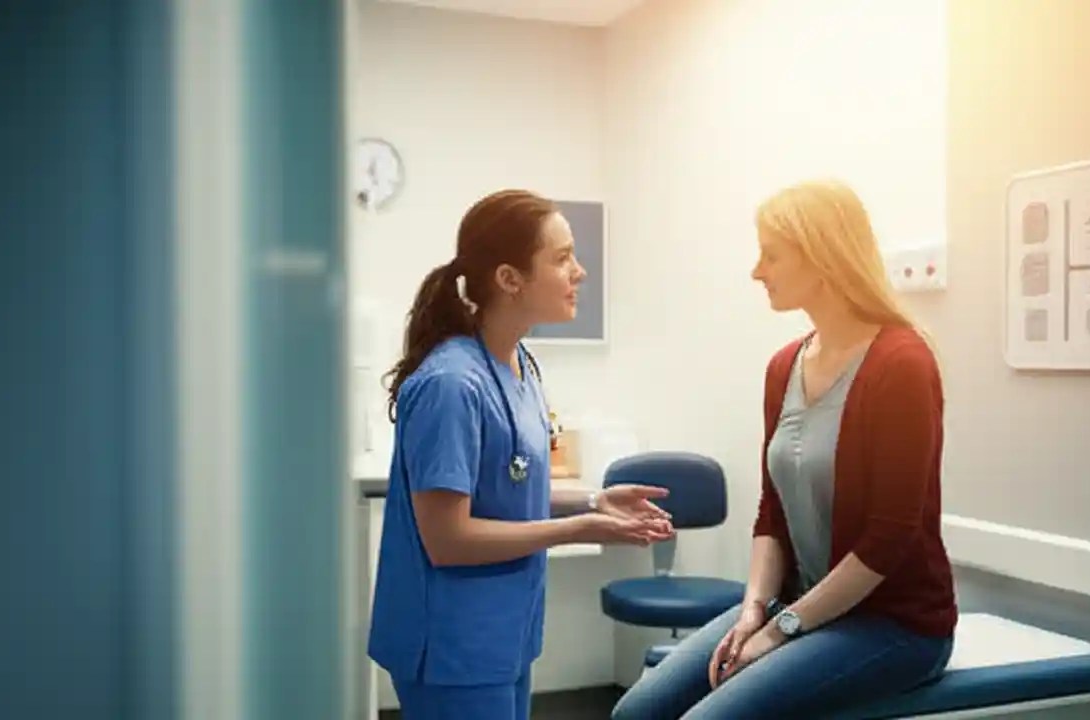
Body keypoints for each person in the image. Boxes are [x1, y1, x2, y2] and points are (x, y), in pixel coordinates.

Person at [611, 179, 957, 719]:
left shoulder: (902, 364)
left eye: (771, 255)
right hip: (795, 605)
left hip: (894, 625)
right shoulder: (784, 367)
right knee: (636, 713)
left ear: (822, 257)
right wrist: (753, 611)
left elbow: (890, 538)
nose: (756, 271)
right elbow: (772, 513)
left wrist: (781, 630)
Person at [369, 189, 675, 720]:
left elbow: (510, 486)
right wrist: (579, 529)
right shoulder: (451, 384)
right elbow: (449, 539)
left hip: (504, 631)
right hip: (449, 644)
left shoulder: (520, 365)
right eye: (561, 259)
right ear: (509, 279)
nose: (579, 272)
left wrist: (594, 500)